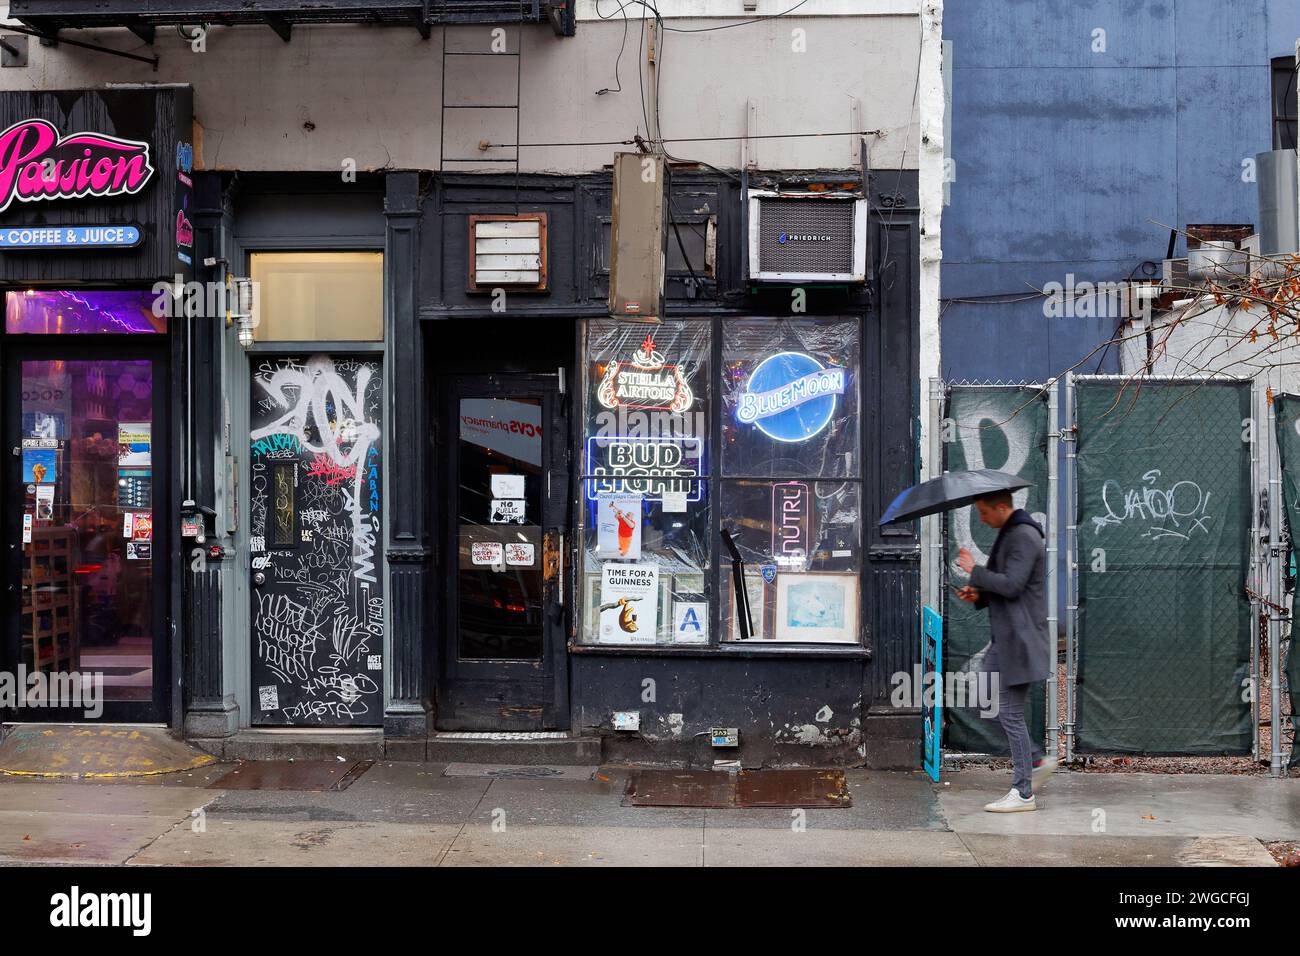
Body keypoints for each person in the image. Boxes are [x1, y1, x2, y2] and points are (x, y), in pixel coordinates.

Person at [955, 490, 1057, 812]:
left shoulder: (1024, 536)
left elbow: (1013, 585)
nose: (982, 520)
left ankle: (1023, 791)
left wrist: (974, 570)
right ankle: (1037, 759)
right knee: (990, 699)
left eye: (984, 513)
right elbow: (1009, 586)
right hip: (1008, 638)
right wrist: (980, 595)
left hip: (1020, 640)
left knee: (1008, 711)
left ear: (1002, 507)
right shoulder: (1011, 533)